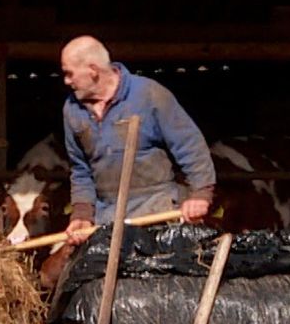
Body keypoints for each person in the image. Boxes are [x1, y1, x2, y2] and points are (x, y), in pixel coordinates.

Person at [60, 36, 215, 245]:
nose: (66, 81)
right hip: (107, 215)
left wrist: (200, 195)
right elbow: (80, 169)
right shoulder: (72, 110)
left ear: (93, 70)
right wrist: (82, 215)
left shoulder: (149, 94)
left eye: (69, 73)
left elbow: (190, 145)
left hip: (158, 208)